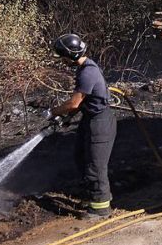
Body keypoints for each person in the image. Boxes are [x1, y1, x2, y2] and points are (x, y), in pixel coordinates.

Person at [48, 33, 117, 218]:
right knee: (81, 157)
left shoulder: (88, 72)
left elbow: (74, 103)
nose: (62, 61)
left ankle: (101, 208)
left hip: (100, 121)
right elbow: (83, 102)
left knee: (96, 165)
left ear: (70, 56)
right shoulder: (83, 68)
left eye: (62, 57)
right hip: (90, 119)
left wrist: (54, 112)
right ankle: (91, 198)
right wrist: (67, 118)